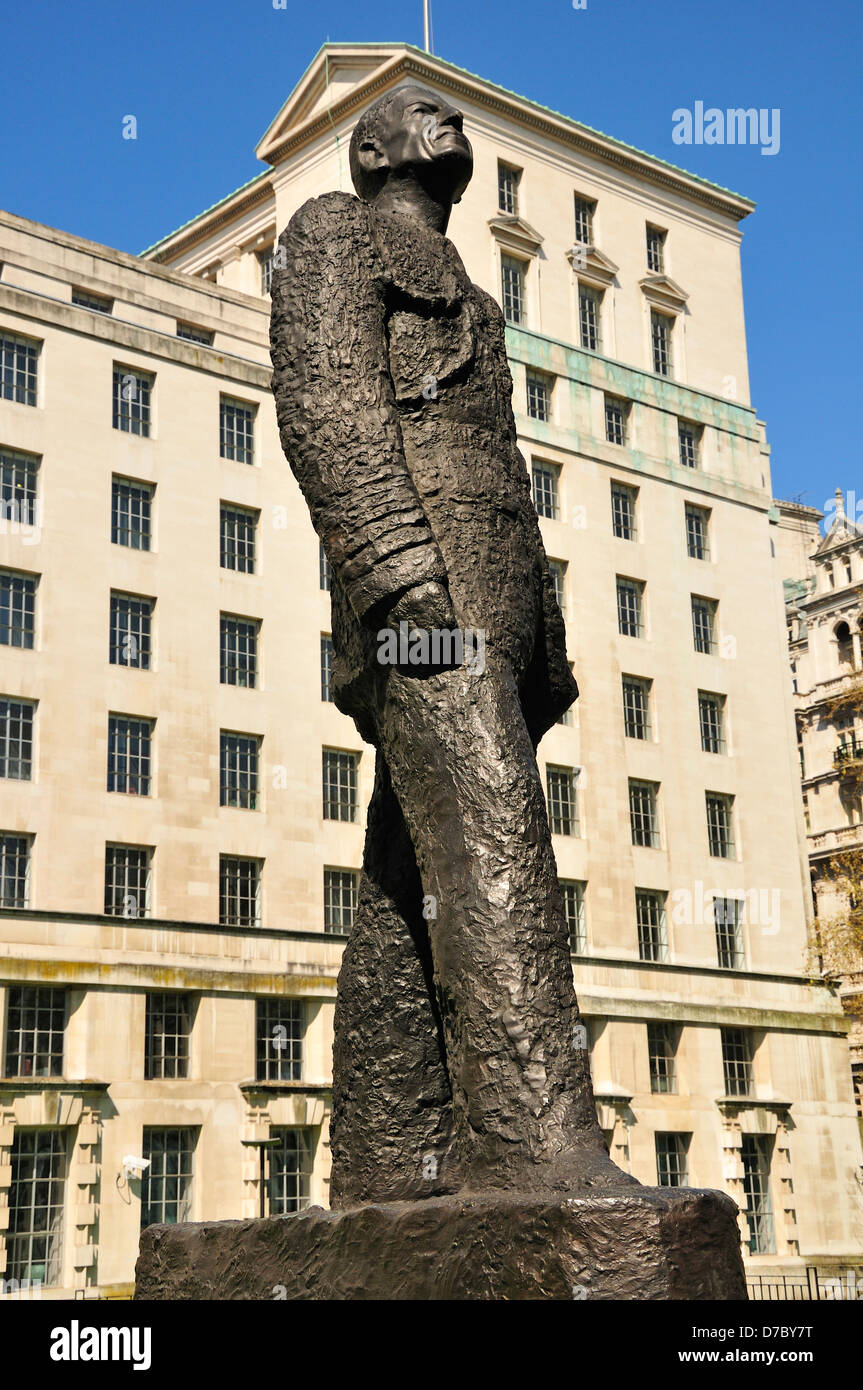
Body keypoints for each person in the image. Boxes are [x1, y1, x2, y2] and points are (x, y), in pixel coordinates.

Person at [270, 85, 632, 1205]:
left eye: (456, 116)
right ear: (369, 148)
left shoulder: (477, 298)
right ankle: (538, 1144)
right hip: (423, 605)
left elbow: (510, 483)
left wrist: (547, 645)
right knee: (491, 838)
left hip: (494, 610)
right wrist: (394, 576)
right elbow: (328, 410)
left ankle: (383, 1153)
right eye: (422, 113)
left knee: (404, 880)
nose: (450, 127)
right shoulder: (329, 233)